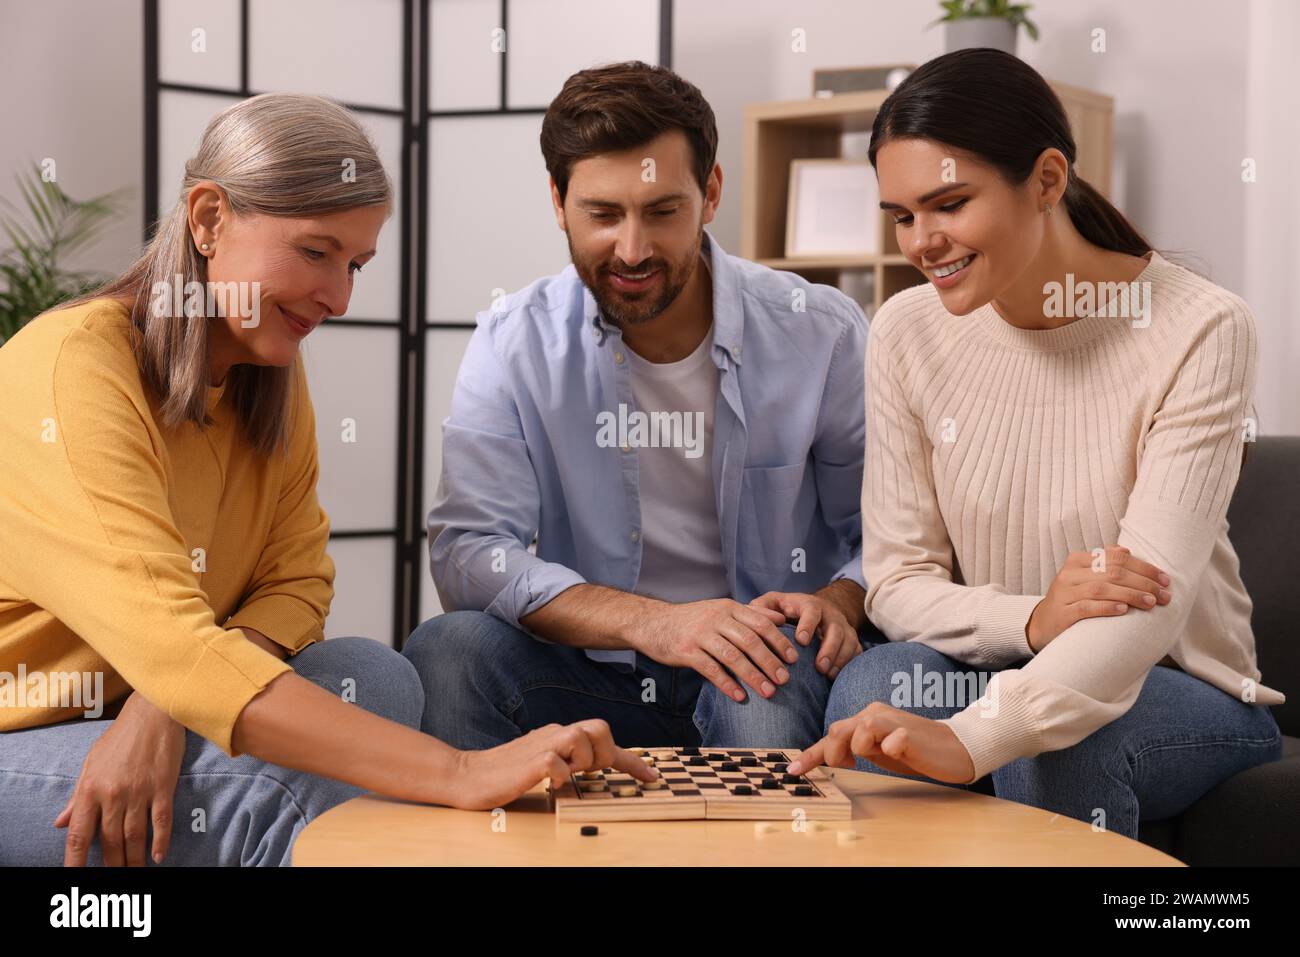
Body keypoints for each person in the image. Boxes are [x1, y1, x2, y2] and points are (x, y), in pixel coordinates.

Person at [0, 93, 650, 867]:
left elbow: (297, 580)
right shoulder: (73, 369)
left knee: (373, 675)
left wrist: (158, 707)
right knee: (279, 791)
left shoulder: (263, 372)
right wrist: (464, 770)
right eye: (315, 252)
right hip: (27, 731)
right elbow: (170, 637)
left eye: (355, 265)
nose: (339, 298)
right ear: (208, 219)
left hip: (142, 703)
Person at [788, 49, 1285, 839]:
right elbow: (898, 579)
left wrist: (974, 734)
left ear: (1048, 179)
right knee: (872, 691)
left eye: (949, 203)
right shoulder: (907, 330)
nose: (922, 241)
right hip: (994, 656)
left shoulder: (1201, 328)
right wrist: (1032, 622)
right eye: (902, 215)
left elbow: (1145, 612)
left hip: (1172, 678)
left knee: (1054, 750)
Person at [404, 61, 873, 752]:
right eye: (601, 214)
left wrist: (839, 600)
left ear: (710, 194)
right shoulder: (513, 341)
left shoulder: (820, 330)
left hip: (763, 653)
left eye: (661, 211)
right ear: (558, 201)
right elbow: (470, 550)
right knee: (446, 653)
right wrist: (651, 622)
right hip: (592, 663)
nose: (632, 249)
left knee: (760, 685)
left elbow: (886, 530)